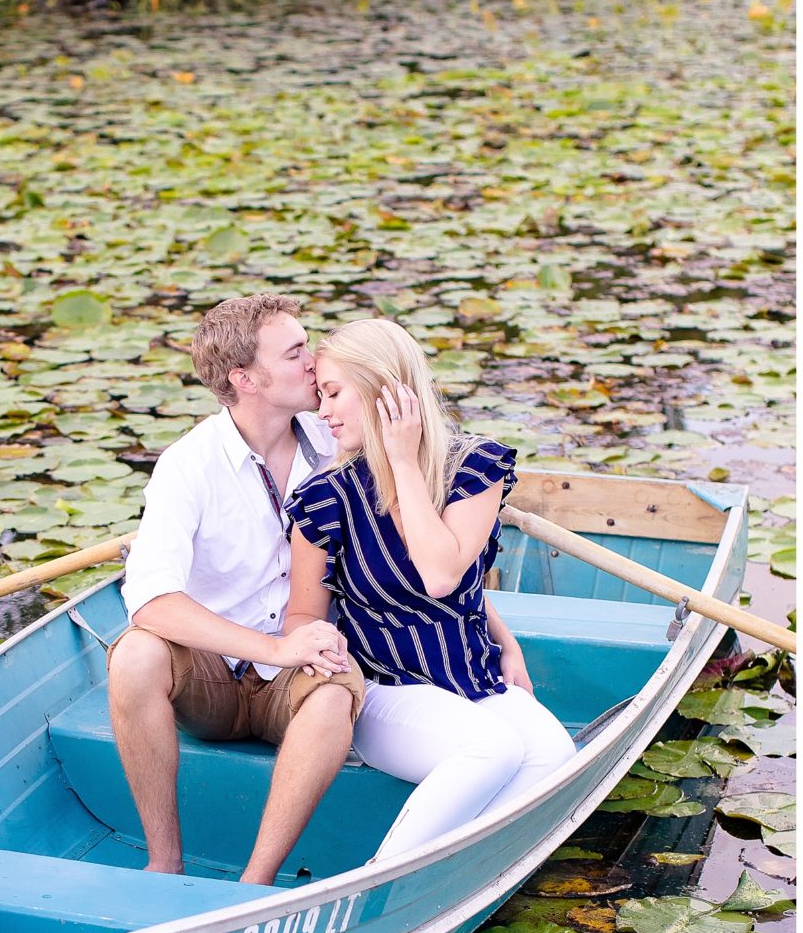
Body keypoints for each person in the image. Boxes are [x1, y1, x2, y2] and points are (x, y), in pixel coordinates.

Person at [285, 317, 575, 862]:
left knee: (555, 755)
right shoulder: (325, 497)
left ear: (387, 390)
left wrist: (505, 643)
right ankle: (381, 881)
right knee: (489, 749)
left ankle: (456, 874)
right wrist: (315, 652)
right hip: (382, 689)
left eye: (333, 392)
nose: (321, 411)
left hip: (471, 675)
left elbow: (445, 577)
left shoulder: (472, 468)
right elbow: (302, 614)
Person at [108, 294, 364, 885]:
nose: (315, 362)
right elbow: (150, 600)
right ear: (244, 378)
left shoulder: (336, 444)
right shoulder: (188, 465)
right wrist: (272, 648)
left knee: (333, 693)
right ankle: (164, 862)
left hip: (298, 669)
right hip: (214, 678)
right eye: (297, 352)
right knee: (136, 654)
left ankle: (254, 884)